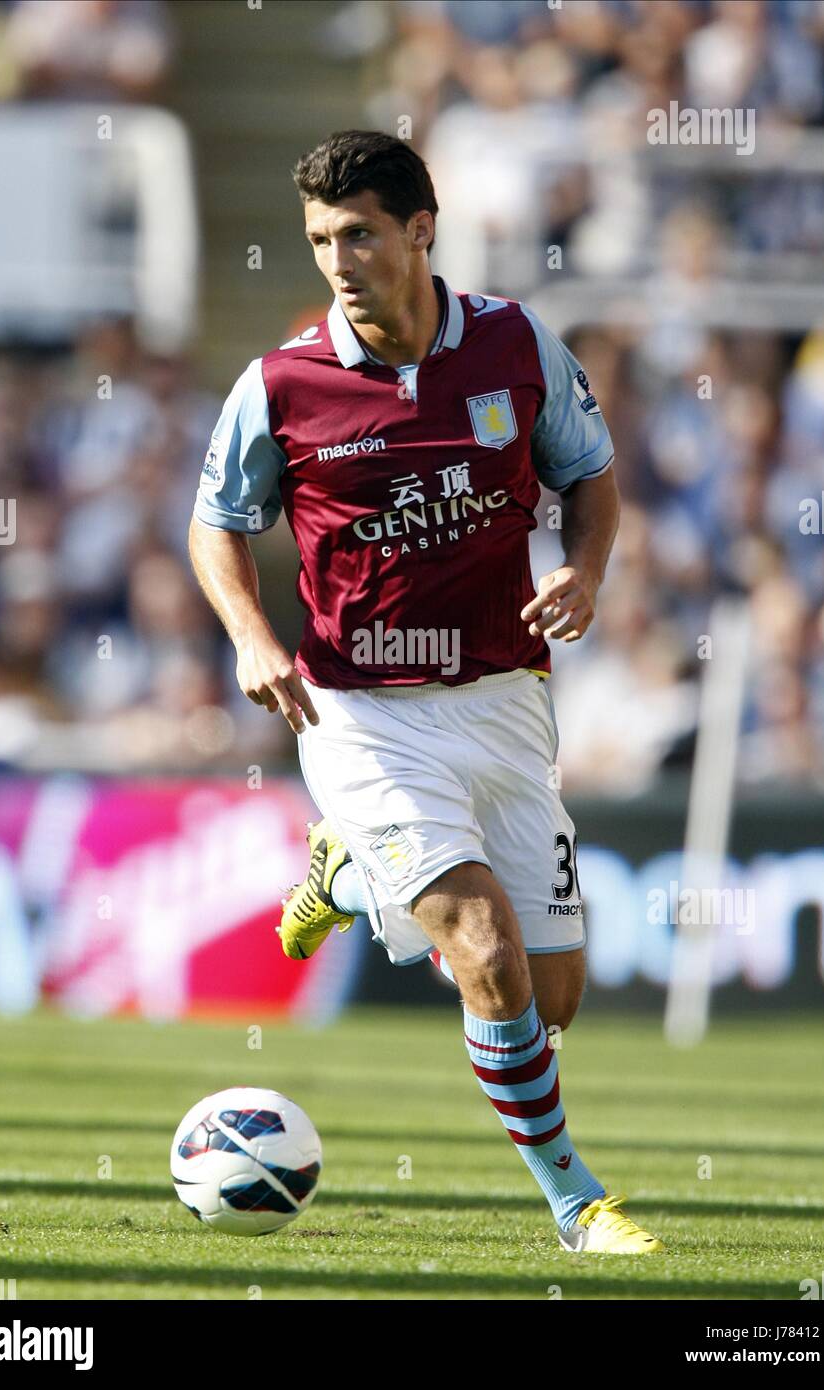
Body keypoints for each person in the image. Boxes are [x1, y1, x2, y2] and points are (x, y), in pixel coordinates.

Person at [188, 129, 663, 1254]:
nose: (338, 258)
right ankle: (576, 1201)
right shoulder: (281, 386)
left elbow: (589, 473)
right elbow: (215, 524)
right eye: (318, 240)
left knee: (546, 1001)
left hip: (503, 699)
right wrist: (253, 634)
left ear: (419, 230)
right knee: (482, 950)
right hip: (359, 709)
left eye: (357, 232)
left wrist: (583, 573)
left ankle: (347, 877)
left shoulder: (513, 344)